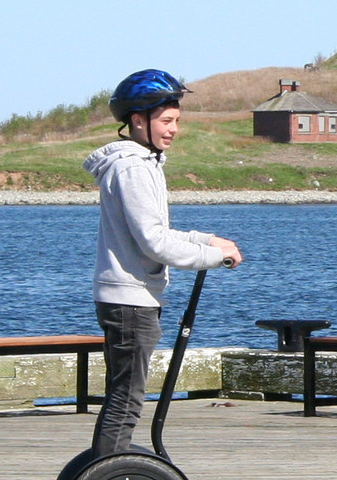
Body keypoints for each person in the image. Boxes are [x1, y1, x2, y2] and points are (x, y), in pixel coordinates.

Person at [82, 70, 242, 457]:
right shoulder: (133, 167)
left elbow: (156, 230)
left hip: (131, 296)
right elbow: (153, 242)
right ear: (139, 121)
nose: (173, 130)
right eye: (166, 121)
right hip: (130, 300)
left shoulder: (143, 163)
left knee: (125, 396)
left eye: (176, 122)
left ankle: (107, 473)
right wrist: (212, 257)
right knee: (127, 400)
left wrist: (205, 240)